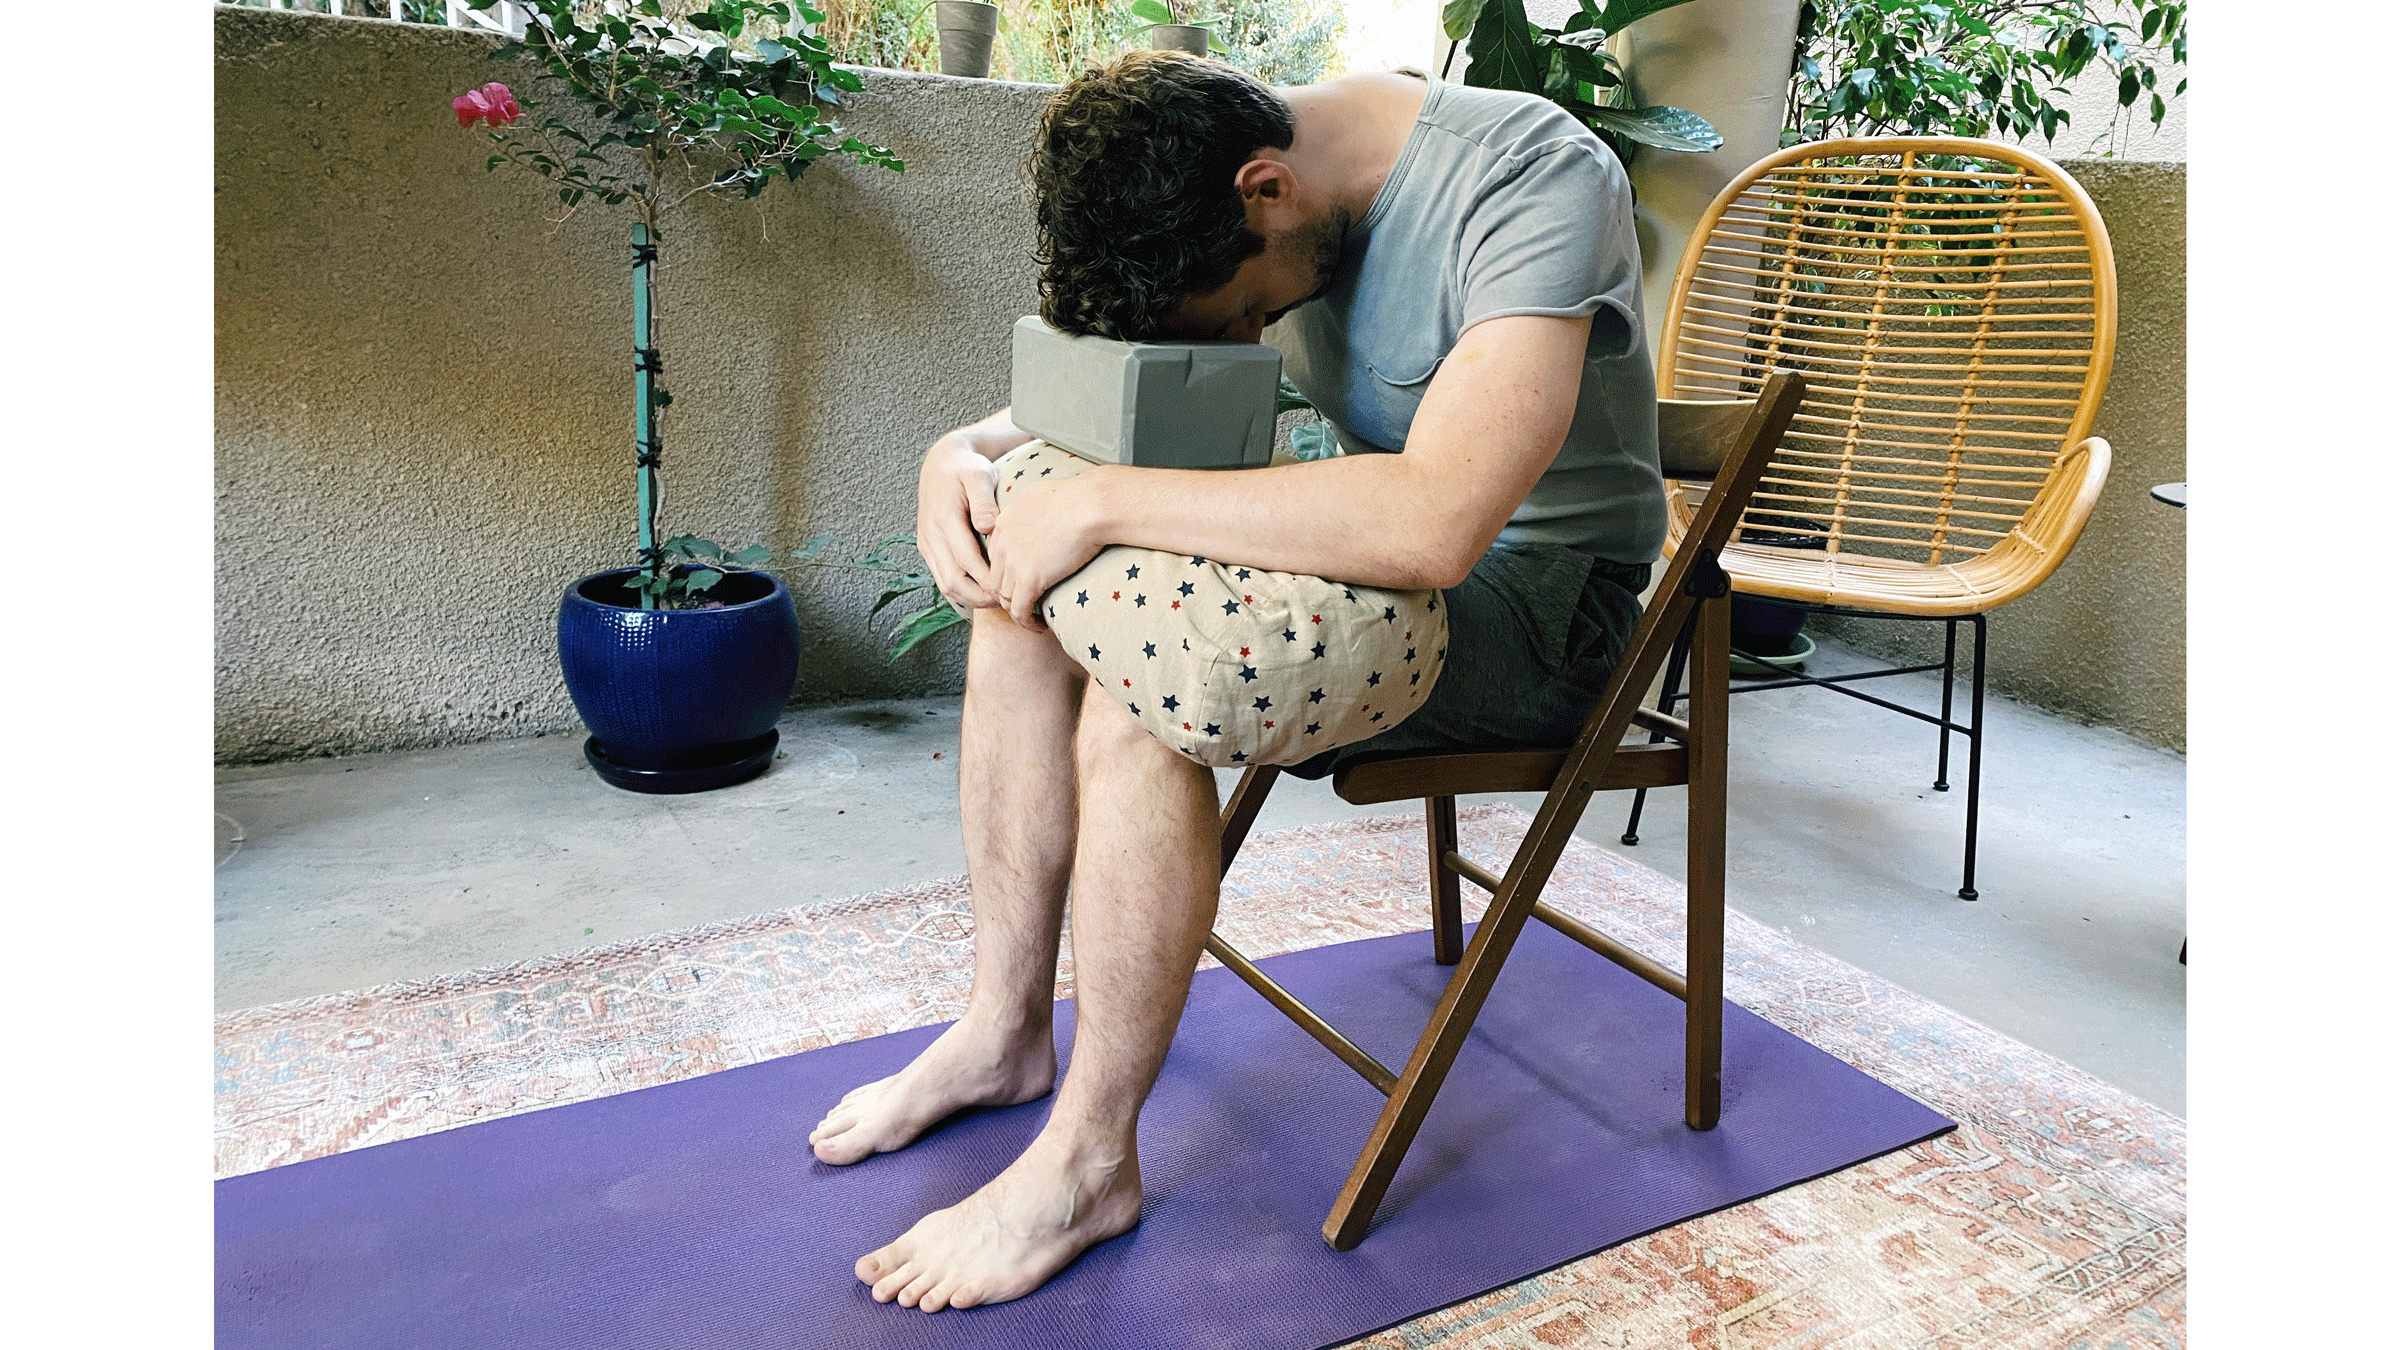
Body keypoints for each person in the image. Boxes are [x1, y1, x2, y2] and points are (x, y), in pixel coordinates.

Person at [807, 49, 1668, 1313]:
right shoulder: (1252, 193)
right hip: (1372, 573)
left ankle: (1094, 1163)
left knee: (1147, 693)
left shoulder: (1529, 174)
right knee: (1020, 604)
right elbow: (1137, 395)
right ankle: (1004, 1033)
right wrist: (969, 448)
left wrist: (1098, 499)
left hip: (1542, 610)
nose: (1251, 338)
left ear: (1268, 191)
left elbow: (1438, 521)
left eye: (1243, 317)